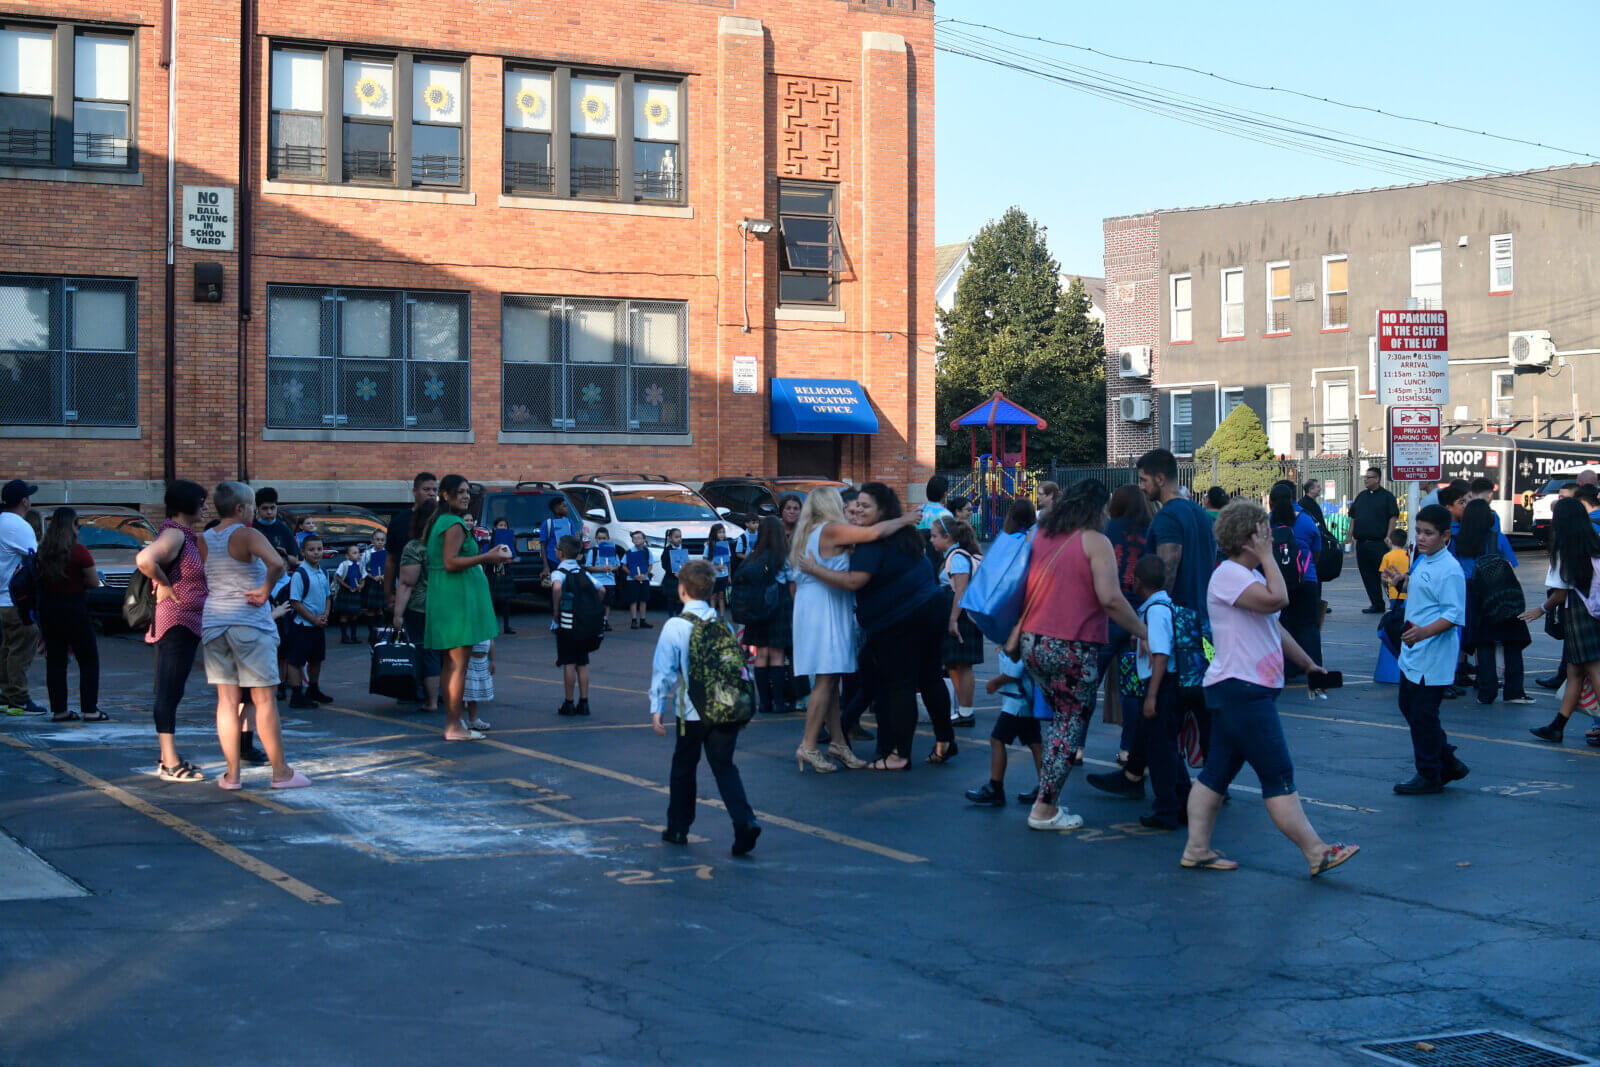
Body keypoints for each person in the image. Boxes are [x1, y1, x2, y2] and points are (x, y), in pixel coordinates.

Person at [1179, 501, 1356, 875]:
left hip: (1240, 690)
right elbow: (1280, 599)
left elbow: (1273, 626)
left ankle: (1196, 848)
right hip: (1243, 690)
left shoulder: (1248, 578)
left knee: (1215, 775)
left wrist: (1307, 663)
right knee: (1278, 773)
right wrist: (1267, 557)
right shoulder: (1230, 575)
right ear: (1248, 539)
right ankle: (1315, 851)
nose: (1271, 540)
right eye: (1264, 534)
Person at [1010, 479, 1145, 831]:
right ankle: (1045, 808)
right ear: (1097, 509)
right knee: (1070, 725)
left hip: (1033, 640)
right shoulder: (1095, 541)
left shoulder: (1040, 534)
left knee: (1060, 722)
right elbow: (1111, 598)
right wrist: (1143, 631)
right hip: (1072, 643)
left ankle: (1047, 797)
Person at [797, 483, 948, 769]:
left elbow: (858, 568)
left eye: (860, 507)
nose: (853, 511)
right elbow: (873, 535)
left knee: (840, 679)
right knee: (833, 678)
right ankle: (814, 744)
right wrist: (903, 519)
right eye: (850, 507)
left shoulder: (832, 533)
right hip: (835, 609)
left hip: (856, 612)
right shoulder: (834, 530)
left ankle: (845, 742)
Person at [198, 481, 308, 790]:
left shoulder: (205, 538)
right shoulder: (247, 533)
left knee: (227, 701)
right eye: (251, 506)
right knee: (264, 699)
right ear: (240, 509)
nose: (255, 511)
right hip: (248, 623)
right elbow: (276, 563)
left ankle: (232, 775)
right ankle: (281, 773)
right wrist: (263, 591)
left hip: (215, 622)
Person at [650, 559, 761, 856]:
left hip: (693, 710)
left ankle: (678, 828)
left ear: (681, 589)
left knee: (684, 768)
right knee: (725, 767)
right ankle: (744, 821)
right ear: (712, 591)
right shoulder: (720, 623)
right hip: (726, 707)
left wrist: (656, 707)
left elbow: (664, 671)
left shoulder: (676, 625)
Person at [1139, 448, 1217, 758]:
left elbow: (1167, 568)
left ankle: (1157, 776)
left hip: (1178, 622)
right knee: (1198, 700)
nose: (1142, 487)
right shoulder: (1197, 512)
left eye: (1144, 480)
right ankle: (1135, 768)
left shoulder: (1168, 516)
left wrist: (1152, 620)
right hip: (1201, 619)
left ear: (1160, 478)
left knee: (1168, 700)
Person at [1390, 504, 1471, 793]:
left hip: (1432, 654)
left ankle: (1430, 773)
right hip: (1413, 650)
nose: (1421, 538)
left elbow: (1452, 614)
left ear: (1445, 536)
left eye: (1428, 533)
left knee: (1424, 714)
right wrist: (1403, 581)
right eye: (1419, 532)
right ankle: (1448, 761)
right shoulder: (1424, 559)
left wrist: (1423, 633)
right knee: (1409, 707)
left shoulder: (1450, 571)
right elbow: (1426, 589)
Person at [425, 475, 510, 741]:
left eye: (467, 492)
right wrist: (488, 555)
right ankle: (454, 726)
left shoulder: (443, 521)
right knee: (457, 666)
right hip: (457, 601)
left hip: (451, 597)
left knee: (451, 665)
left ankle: (456, 722)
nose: (465, 496)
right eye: (459, 492)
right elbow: (450, 562)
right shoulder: (453, 523)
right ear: (446, 495)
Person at [136, 480, 211, 781]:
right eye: (202, 501)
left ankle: (170, 756)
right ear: (187, 504)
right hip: (175, 622)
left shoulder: (184, 535)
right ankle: (168, 761)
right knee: (169, 690)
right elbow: (144, 559)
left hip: (187, 622)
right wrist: (165, 584)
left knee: (174, 690)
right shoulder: (174, 534)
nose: (206, 507)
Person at [1520, 498, 1600, 746]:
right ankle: (1558, 726)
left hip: (1578, 614)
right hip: (1595, 612)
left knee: (1593, 669)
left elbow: (1560, 592)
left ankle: (1558, 726)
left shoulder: (1565, 550)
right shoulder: (1594, 543)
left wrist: (1540, 610)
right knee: (1574, 671)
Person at [1123, 555, 1191, 830]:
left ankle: (1166, 810)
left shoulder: (1156, 611)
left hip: (1162, 685)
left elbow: (1161, 656)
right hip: (1167, 685)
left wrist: (1151, 696)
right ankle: (1184, 803)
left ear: (1138, 582)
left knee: (1161, 753)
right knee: (1168, 749)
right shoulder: (1164, 605)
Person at [1453, 500, 1532, 707]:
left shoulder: (1457, 540)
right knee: (1512, 642)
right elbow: (1511, 565)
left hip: (1471, 593)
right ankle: (1514, 690)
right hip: (1499, 592)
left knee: (1483, 643)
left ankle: (1486, 691)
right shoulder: (1497, 538)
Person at [35, 507, 105, 723]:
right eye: (79, 525)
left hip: (49, 608)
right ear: (72, 526)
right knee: (88, 659)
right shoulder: (79, 551)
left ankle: (59, 710)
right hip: (75, 607)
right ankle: (90, 710)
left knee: (55, 660)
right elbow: (93, 582)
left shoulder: (43, 551)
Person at [963, 647, 1044, 806]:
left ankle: (995, 787)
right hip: (1026, 700)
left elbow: (1015, 670)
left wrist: (995, 683)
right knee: (1035, 744)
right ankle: (1047, 789)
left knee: (997, 739)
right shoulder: (1024, 637)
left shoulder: (1014, 640)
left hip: (1016, 703)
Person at [734, 517, 795, 720]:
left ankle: (764, 703)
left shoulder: (753, 556)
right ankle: (779, 702)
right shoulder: (782, 556)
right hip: (779, 608)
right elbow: (791, 583)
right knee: (777, 655)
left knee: (761, 655)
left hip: (757, 611)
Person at [1269, 480, 1326, 700]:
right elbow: (1317, 549)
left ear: (1272, 501)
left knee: (1282, 624)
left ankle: (1287, 668)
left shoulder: (1268, 522)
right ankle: (1313, 666)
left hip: (1278, 582)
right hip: (1306, 580)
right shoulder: (1305, 520)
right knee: (1308, 625)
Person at [932, 516, 983, 729]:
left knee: (963, 664)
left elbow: (960, 590)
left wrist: (953, 619)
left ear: (948, 537)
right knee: (954, 663)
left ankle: (966, 710)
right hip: (955, 614)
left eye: (935, 536)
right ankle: (961, 709)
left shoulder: (958, 557)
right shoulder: (952, 556)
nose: (932, 540)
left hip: (961, 616)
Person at [0, 479, 45, 716]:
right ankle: (18, 698)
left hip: (2, 600)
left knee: (6, 648)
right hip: (14, 601)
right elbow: (35, 561)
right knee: (21, 646)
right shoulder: (19, 526)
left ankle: (5, 695)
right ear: (24, 501)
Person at [392, 504, 442, 715]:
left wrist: (397, 614)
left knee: (426, 651)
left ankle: (431, 700)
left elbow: (406, 583)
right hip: (448, 604)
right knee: (447, 653)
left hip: (422, 606)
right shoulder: (446, 544)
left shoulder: (416, 547)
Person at [551, 535, 597, 717]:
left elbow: (556, 588)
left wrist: (556, 611)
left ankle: (568, 702)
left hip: (567, 623)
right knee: (582, 663)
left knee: (568, 662)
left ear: (561, 553)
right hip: (584, 623)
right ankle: (584, 702)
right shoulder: (583, 573)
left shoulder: (559, 573)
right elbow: (600, 590)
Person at [284, 536, 332, 709]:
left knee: (317, 658)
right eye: (311, 550)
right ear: (303, 552)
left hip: (318, 624)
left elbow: (328, 596)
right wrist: (313, 619)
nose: (316, 553)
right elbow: (296, 602)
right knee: (296, 660)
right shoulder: (300, 574)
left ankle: (313, 688)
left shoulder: (323, 572)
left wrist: (325, 614)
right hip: (302, 625)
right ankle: (297, 694)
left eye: (319, 549)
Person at [384, 472, 438, 611]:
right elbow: (391, 559)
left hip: (437, 590)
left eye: (435, 490)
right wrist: (389, 594)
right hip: (407, 592)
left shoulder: (443, 519)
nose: (431, 494)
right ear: (415, 492)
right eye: (426, 490)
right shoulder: (399, 521)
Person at [1350, 467, 1400, 614]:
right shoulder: (1361, 496)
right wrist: (1349, 535)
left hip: (1379, 543)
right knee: (1367, 575)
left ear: (1377, 479)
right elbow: (1353, 516)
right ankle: (1377, 604)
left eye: (1369, 477)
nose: (1365, 480)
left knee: (1385, 574)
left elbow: (1393, 516)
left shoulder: (1387, 497)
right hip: (1362, 543)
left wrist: (1389, 535)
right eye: (1365, 477)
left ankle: (1395, 602)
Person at [584, 526, 622, 632]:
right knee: (597, 601)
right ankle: (596, 621)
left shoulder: (612, 550)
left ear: (608, 538)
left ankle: (605, 621)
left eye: (604, 538)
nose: (601, 540)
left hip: (609, 581)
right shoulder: (593, 551)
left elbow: (617, 565)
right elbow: (588, 566)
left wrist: (612, 568)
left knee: (607, 603)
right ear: (596, 539)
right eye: (599, 538)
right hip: (597, 581)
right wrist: (600, 569)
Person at [539, 496, 583, 578]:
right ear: (556, 509)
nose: (567, 509)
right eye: (564, 506)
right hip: (552, 561)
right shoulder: (547, 524)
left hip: (568, 561)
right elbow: (543, 546)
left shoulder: (570, 523)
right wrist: (546, 566)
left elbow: (573, 541)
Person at [488, 518, 517, 636]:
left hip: (506, 570)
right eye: (500, 525)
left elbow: (513, 554)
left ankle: (506, 626)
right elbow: (487, 553)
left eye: (505, 525)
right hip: (494, 570)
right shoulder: (490, 539)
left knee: (506, 600)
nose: (503, 527)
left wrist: (509, 559)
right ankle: (491, 626)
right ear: (495, 527)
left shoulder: (510, 538)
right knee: (492, 600)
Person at [333, 544, 365, 644]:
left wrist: (360, 585)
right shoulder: (344, 564)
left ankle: (354, 636)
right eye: (354, 553)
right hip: (345, 592)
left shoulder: (360, 565)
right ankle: (344, 636)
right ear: (347, 556)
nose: (357, 555)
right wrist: (347, 586)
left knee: (354, 614)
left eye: (358, 553)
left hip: (355, 592)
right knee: (344, 614)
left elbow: (363, 578)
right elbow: (338, 577)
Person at [622, 530, 654, 629]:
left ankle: (643, 620)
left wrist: (645, 574)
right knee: (633, 600)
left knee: (643, 599)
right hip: (632, 579)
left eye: (639, 538)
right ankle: (634, 620)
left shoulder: (647, 551)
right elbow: (623, 565)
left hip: (644, 579)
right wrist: (633, 575)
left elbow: (650, 564)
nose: (637, 540)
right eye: (634, 538)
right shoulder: (629, 552)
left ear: (644, 539)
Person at [361, 530, 387, 643]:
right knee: (370, 609)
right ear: (372, 540)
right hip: (371, 582)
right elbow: (361, 568)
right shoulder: (367, 554)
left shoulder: (386, 553)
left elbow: (391, 567)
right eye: (377, 539)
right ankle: (372, 633)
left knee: (380, 608)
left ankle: (379, 633)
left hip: (383, 581)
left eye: (382, 540)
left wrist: (385, 576)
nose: (380, 542)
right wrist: (372, 576)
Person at [463, 638, 493, 733]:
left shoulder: (486, 626)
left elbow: (491, 641)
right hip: (469, 660)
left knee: (474, 692)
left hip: (482, 661)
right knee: (464, 692)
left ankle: (473, 719)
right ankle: (458, 720)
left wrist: (492, 660)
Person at [703, 523, 732, 613]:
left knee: (721, 596)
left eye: (723, 532)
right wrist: (716, 566)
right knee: (713, 596)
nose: (722, 534)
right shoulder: (709, 546)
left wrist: (729, 575)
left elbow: (728, 562)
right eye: (719, 532)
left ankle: (722, 617)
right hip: (714, 576)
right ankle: (712, 617)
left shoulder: (725, 545)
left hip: (724, 575)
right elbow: (705, 562)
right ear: (714, 533)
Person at [1381, 527, 1410, 608]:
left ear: (1390, 541)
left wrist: (1386, 588)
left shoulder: (1387, 556)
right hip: (1407, 593)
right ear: (1405, 542)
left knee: (1395, 614)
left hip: (1394, 593)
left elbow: (1383, 577)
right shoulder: (1409, 555)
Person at [659, 527, 687, 609]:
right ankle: (671, 616)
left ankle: (680, 615)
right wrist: (673, 573)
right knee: (671, 598)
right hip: (671, 578)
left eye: (680, 537)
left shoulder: (683, 548)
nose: (679, 539)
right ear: (670, 539)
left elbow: (685, 562)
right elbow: (665, 564)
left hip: (681, 578)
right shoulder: (667, 550)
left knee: (681, 597)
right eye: (676, 537)